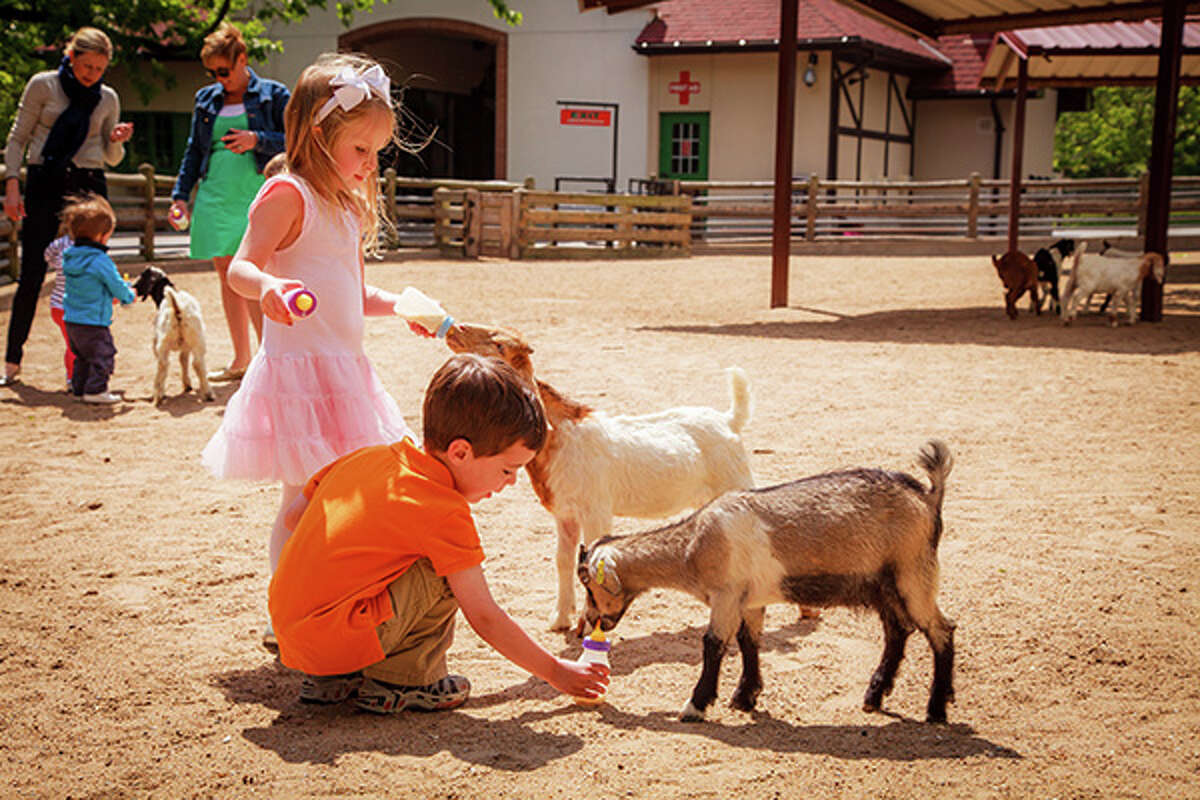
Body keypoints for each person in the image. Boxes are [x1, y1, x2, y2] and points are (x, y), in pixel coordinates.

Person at [201, 52, 432, 646]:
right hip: (299, 378)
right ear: (318, 133)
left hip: (347, 378)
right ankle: (289, 610)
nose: (369, 164)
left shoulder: (346, 207)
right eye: (361, 149)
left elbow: (353, 294)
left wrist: (405, 306)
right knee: (301, 501)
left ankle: (325, 597)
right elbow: (242, 268)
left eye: (376, 152)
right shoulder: (288, 193)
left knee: (346, 497)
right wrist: (271, 287)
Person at [270, 353, 611, 712]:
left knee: (399, 562)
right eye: (507, 470)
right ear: (460, 452)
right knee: (443, 572)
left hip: (292, 633)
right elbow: (484, 615)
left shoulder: (367, 457)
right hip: (337, 639)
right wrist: (557, 672)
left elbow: (295, 520)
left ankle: (335, 679)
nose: (511, 483)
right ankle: (403, 681)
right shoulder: (444, 511)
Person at [2, 27, 133, 387]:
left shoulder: (107, 98)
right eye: (86, 65)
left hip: (90, 184)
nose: (92, 75)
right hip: (46, 179)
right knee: (31, 273)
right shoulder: (43, 85)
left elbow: (112, 157)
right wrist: (12, 184)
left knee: (94, 272)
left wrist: (117, 141)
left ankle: (88, 361)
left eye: (99, 69)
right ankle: (12, 361)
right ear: (70, 55)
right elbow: (17, 138)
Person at [170, 22, 289, 383]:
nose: (219, 79)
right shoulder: (206, 99)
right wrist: (180, 195)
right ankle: (241, 359)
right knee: (227, 276)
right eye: (212, 73)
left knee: (253, 273)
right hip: (215, 195)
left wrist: (258, 139)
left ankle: (270, 360)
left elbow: (295, 140)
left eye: (224, 70)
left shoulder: (273, 94)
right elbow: (193, 150)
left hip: (256, 193)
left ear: (242, 59)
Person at [59, 194, 135, 404]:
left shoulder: (70, 257)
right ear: (102, 236)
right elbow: (115, 285)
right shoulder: (100, 260)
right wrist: (129, 296)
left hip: (72, 321)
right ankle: (95, 390)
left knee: (83, 357)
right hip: (94, 322)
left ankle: (80, 387)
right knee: (103, 354)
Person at [44, 233, 75, 390]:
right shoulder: (89, 247)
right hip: (72, 307)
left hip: (57, 304)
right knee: (75, 345)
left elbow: (47, 256)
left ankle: (73, 377)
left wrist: (58, 265)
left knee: (71, 342)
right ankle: (72, 378)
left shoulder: (58, 243)